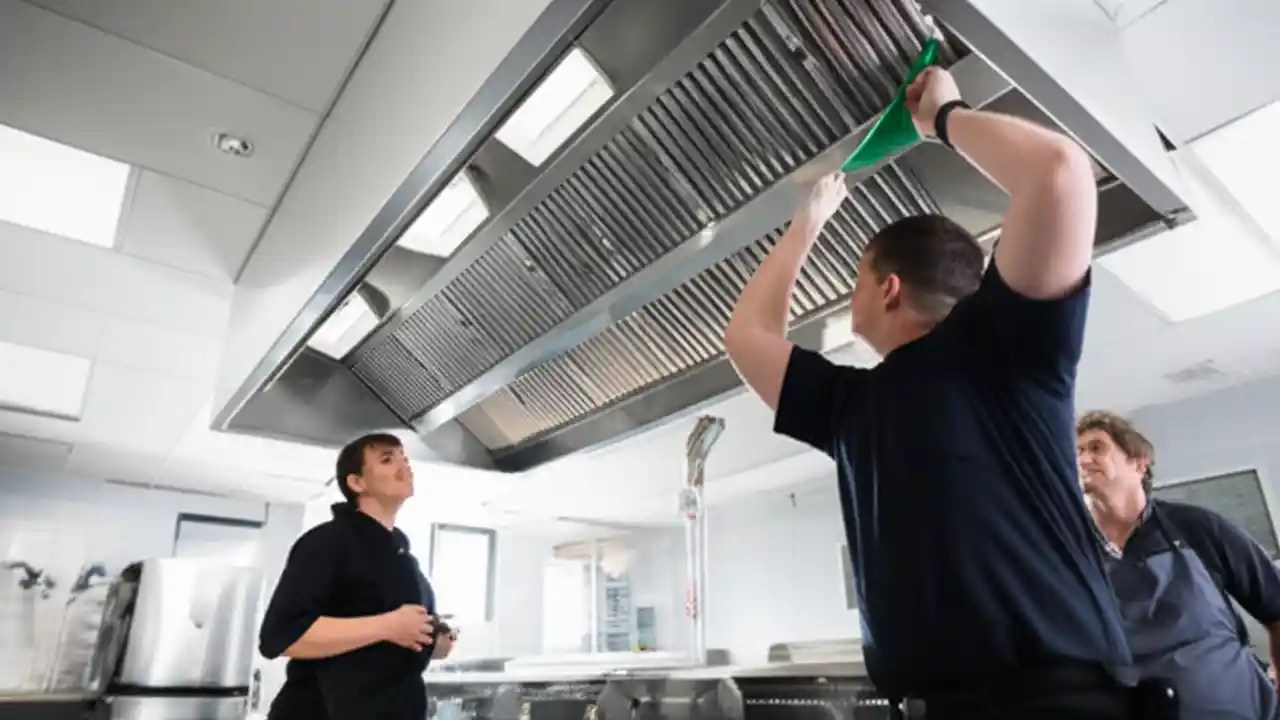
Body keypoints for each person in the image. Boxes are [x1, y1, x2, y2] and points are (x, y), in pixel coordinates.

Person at [724, 65, 1137, 717]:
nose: (851, 296)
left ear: (888, 288)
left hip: (1056, 702)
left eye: (857, 280)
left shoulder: (1004, 345)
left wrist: (940, 117)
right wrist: (807, 219)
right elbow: (746, 337)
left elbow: (1058, 173)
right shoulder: (850, 406)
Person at [1078, 410, 1280, 719]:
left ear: (1139, 463)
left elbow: (1276, 606)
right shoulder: (1070, 554)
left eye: (1096, 447)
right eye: (1076, 452)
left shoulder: (1196, 526)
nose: (1083, 458)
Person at [258, 433, 457, 719]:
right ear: (356, 482)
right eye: (387, 459)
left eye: (404, 458)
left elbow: (403, 639)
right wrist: (387, 625)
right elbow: (280, 637)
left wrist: (436, 642)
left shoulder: (404, 559)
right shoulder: (327, 542)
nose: (404, 465)